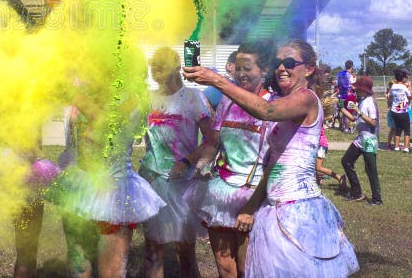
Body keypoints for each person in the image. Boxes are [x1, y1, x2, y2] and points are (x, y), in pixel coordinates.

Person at [184, 40, 359, 278]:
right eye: (278, 62)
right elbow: (274, 160)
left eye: (290, 62)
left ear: (308, 69)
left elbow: (266, 111)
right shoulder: (284, 102)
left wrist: (216, 80)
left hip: (298, 210)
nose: (281, 68)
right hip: (274, 208)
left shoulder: (306, 99)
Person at [186, 41, 274, 278]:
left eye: (248, 68)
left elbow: (275, 162)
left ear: (264, 70)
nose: (241, 74)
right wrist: (201, 164)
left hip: (253, 195)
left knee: (248, 268)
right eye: (238, 68)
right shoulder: (226, 101)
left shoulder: (273, 105)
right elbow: (214, 141)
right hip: (220, 193)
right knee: (224, 266)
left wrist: (252, 207)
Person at [50, 100, 165, 278]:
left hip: (113, 191)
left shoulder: (130, 97)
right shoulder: (83, 95)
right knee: (80, 263)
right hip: (82, 186)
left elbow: (106, 125)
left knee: (111, 271)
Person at [139, 47, 214, 278]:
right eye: (153, 66)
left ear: (175, 67)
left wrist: (187, 161)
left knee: (185, 252)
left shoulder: (193, 97)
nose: (155, 70)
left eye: (160, 65)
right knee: (153, 252)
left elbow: (211, 139)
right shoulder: (148, 99)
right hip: (152, 180)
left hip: (182, 183)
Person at [340, 76, 382, 205]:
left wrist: (359, 112)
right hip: (360, 140)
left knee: (371, 171)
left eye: (357, 88)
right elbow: (354, 118)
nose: (355, 90)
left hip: (369, 141)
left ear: (364, 89)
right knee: (346, 161)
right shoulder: (363, 101)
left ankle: (377, 199)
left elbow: (373, 123)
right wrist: (341, 108)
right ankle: (356, 193)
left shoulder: (370, 102)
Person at [386, 69, 410, 152]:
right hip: (403, 111)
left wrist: (389, 104)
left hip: (394, 111)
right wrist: (410, 87)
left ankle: (396, 147)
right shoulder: (404, 87)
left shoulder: (393, 86)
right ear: (403, 78)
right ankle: (406, 148)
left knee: (398, 129)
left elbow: (390, 97)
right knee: (407, 130)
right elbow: (410, 96)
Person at [336, 61, 354, 132]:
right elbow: (352, 85)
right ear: (351, 66)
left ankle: (342, 126)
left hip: (340, 96)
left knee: (342, 110)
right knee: (348, 112)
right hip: (348, 96)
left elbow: (336, 84)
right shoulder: (350, 75)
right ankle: (346, 128)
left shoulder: (339, 74)